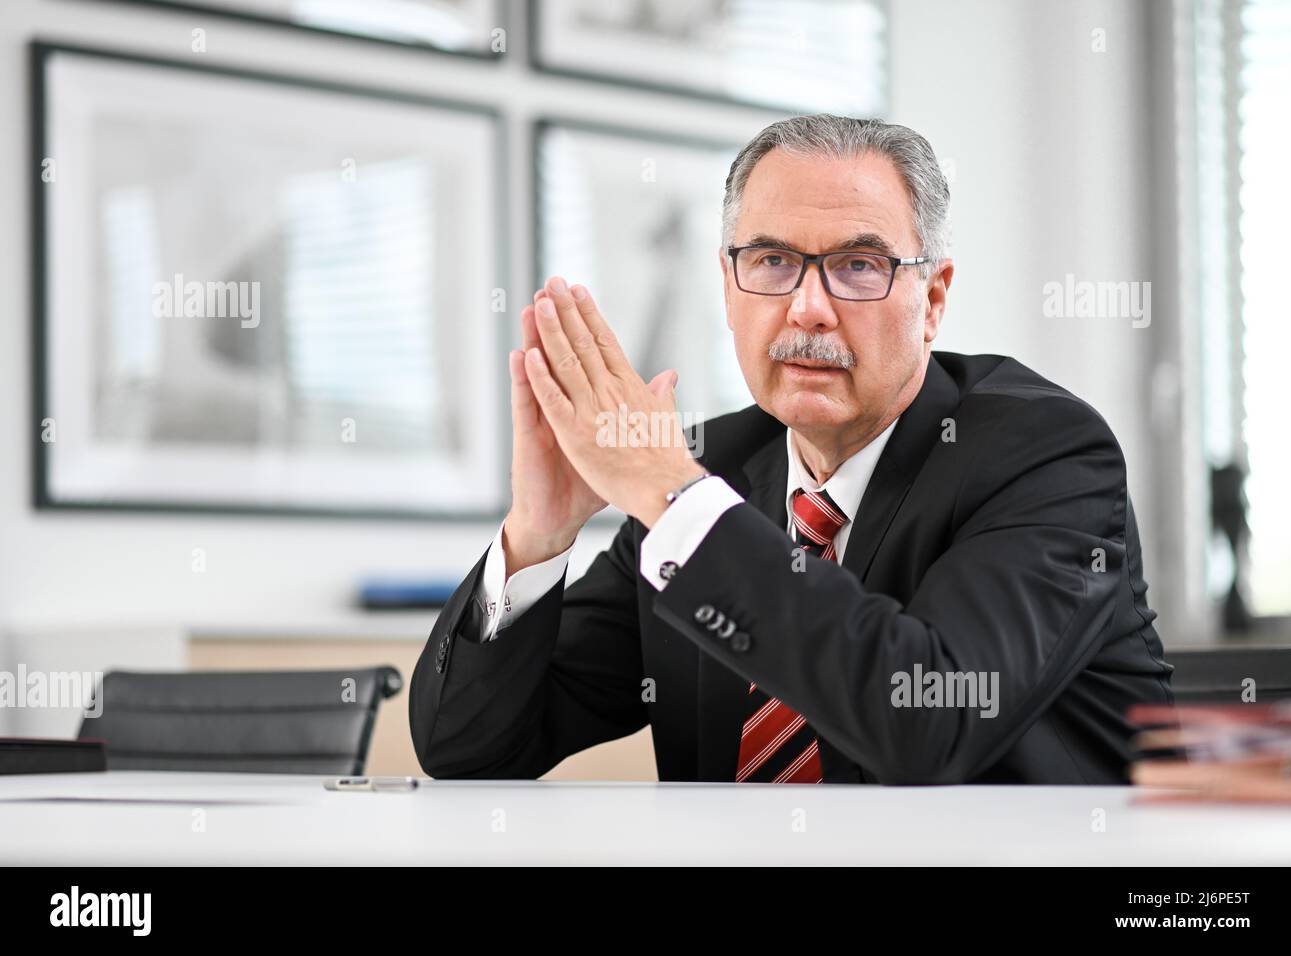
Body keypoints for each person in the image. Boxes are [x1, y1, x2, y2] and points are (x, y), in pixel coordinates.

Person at [409, 114, 1173, 785]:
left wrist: (676, 499)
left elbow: (928, 725)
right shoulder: (709, 472)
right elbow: (466, 750)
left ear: (932, 300)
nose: (808, 308)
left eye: (858, 266)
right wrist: (537, 536)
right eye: (772, 261)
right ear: (729, 285)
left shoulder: (1045, 455)